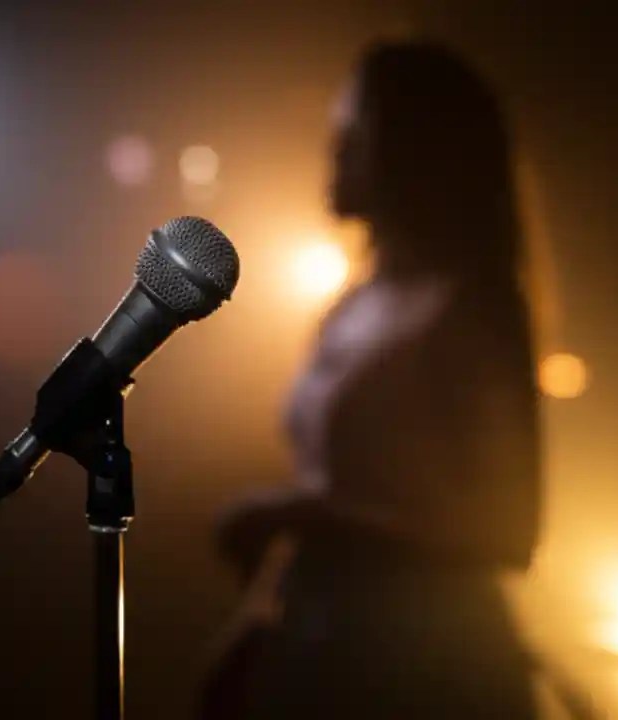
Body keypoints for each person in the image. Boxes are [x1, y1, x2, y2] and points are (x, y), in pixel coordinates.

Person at [201, 39, 541, 719]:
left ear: (415, 149)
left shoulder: (472, 306)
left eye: (353, 130)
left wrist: (298, 516)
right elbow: (331, 486)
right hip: (320, 649)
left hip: (429, 672)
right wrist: (257, 626)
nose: (333, 149)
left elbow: (511, 530)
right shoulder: (352, 304)